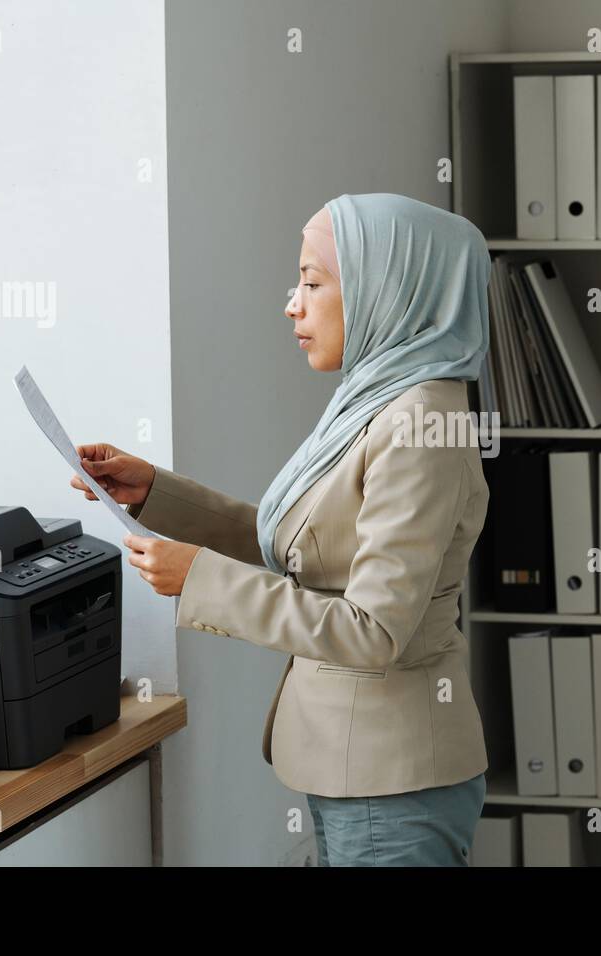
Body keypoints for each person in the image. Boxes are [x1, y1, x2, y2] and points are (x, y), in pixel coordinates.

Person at [71, 193, 492, 866]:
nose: (292, 305)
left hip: (389, 782)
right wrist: (156, 493)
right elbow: (311, 547)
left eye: (313, 283)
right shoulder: (381, 399)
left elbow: (373, 630)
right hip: (358, 774)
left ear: (389, 287)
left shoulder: (417, 424)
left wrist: (202, 581)